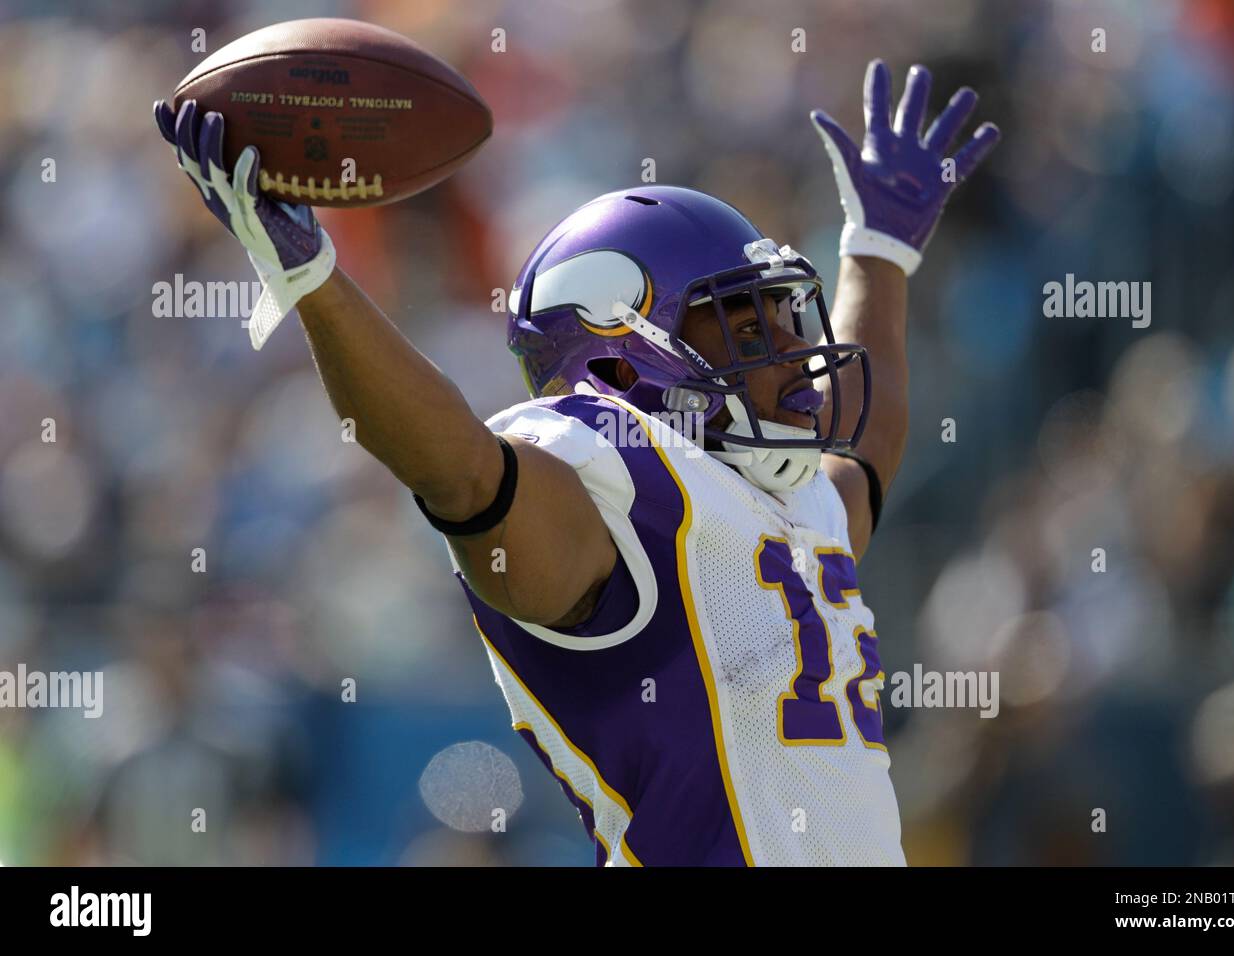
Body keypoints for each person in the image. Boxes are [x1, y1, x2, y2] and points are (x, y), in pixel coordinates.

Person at [154, 59, 998, 866]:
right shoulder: (611, 479)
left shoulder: (800, 503)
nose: (791, 351)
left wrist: (879, 251)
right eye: (749, 326)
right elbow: (459, 472)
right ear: (622, 355)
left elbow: (871, 446)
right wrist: (313, 279)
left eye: (785, 317)